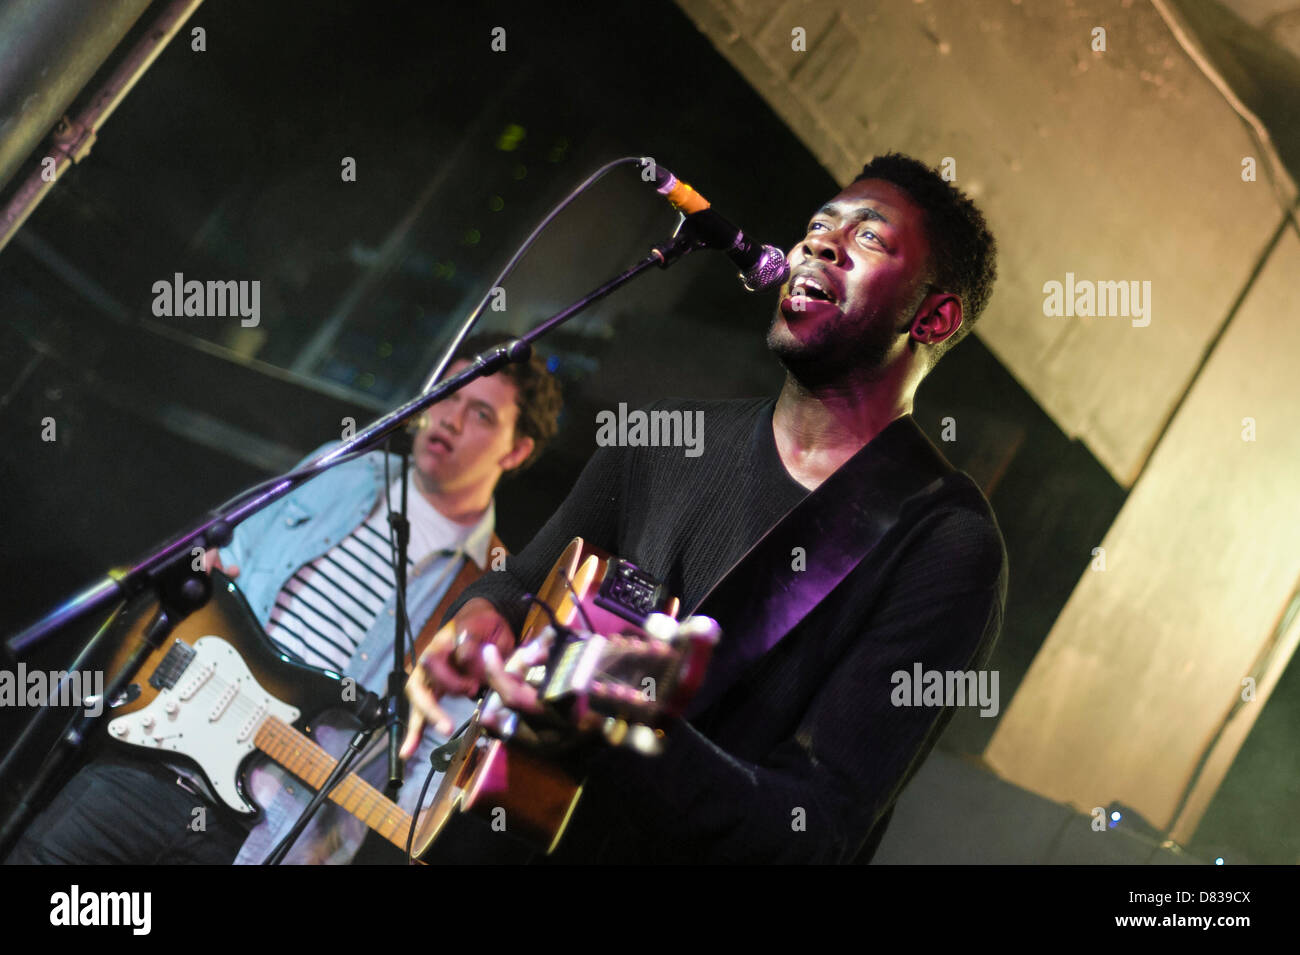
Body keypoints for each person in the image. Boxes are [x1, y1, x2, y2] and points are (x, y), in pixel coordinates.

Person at [403, 153, 1009, 864]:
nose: (819, 243)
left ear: (934, 317)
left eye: (870, 238)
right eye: (817, 227)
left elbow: (816, 828)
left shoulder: (944, 546)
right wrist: (477, 624)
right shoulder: (660, 442)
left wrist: (635, 736)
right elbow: (517, 583)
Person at [5, 332, 563, 865]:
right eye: (449, 394)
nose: (451, 418)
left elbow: (429, 754)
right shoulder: (339, 466)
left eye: (482, 414)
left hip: (265, 839)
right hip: (149, 763)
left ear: (516, 452)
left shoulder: (485, 593)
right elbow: (225, 561)